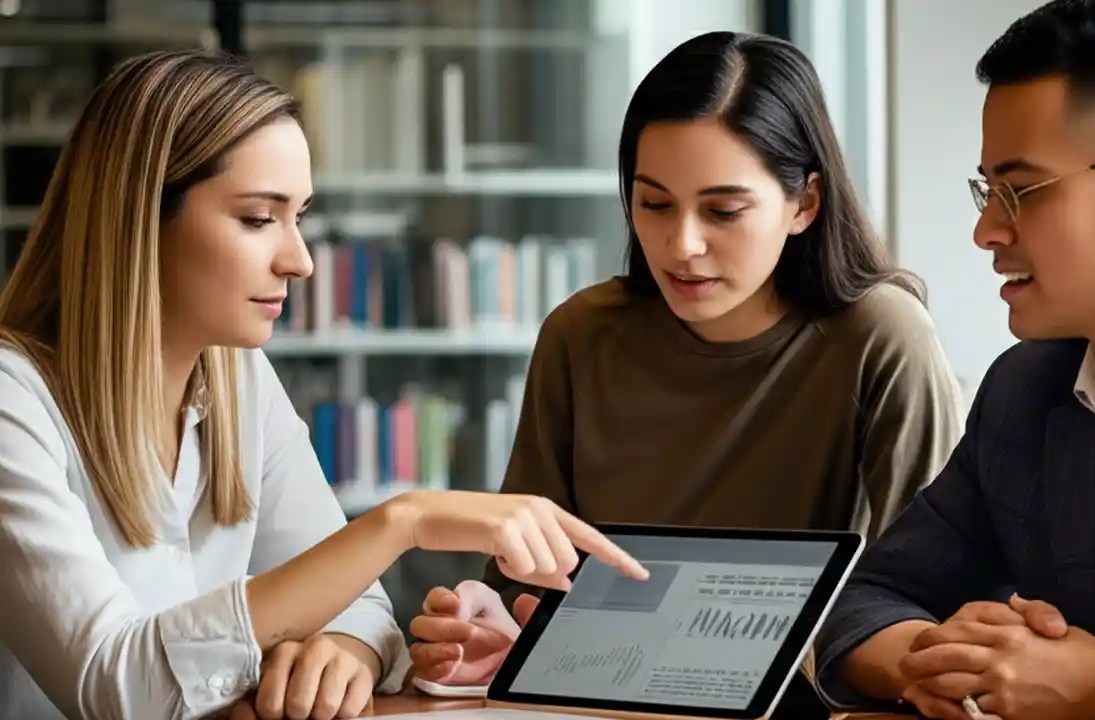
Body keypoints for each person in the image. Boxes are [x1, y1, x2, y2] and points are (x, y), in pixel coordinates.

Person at [0, 49, 649, 720]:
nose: (300, 260)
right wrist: (406, 521)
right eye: (258, 218)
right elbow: (118, 687)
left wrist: (341, 650)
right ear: (138, 218)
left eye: (299, 217)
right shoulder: (12, 404)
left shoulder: (236, 378)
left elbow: (359, 604)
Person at [406, 29, 964, 697]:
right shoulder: (581, 336)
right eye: (654, 204)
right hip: (594, 706)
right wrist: (492, 628)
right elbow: (526, 583)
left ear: (804, 203)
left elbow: (922, 601)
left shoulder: (881, 337)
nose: (682, 244)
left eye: (723, 210)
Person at [815, 1, 1095, 719]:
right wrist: (956, 663)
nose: (985, 230)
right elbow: (862, 604)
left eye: (1020, 190)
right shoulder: (1028, 387)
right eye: (986, 189)